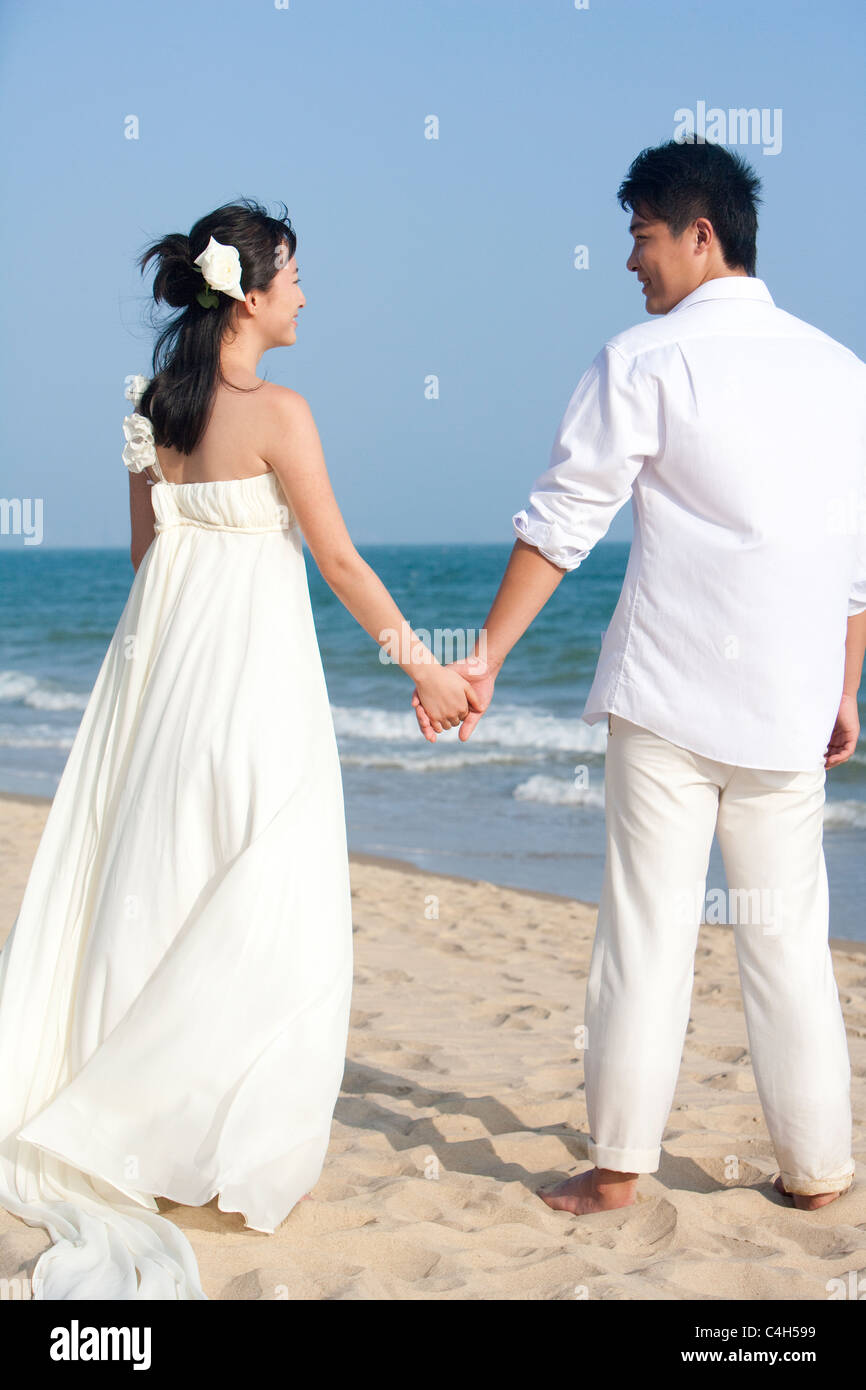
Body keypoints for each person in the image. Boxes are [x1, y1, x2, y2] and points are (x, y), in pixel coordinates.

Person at [0, 198, 481, 1300]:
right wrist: (427, 669)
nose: (307, 293)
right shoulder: (281, 414)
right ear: (251, 292)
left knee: (165, 890)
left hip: (166, 684)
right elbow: (343, 565)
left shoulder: (149, 410)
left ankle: (157, 1128)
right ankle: (234, 1150)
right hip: (260, 689)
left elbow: (144, 562)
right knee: (275, 899)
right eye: (296, 275)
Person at [413, 137, 866, 1215]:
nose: (629, 261)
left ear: (696, 233)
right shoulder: (841, 372)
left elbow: (565, 519)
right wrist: (843, 689)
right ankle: (816, 1172)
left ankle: (619, 1168)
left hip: (667, 699)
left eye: (639, 235)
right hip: (788, 708)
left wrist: (482, 658)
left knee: (645, 936)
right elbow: (852, 560)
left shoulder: (641, 360)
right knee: (788, 946)